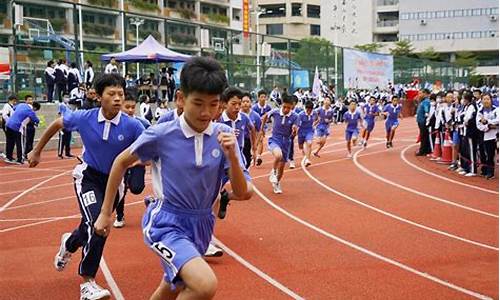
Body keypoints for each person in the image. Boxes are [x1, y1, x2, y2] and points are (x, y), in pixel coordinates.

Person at [94, 57, 253, 299]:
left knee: (172, 287)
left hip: (202, 225)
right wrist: (106, 213)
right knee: (204, 285)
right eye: (198, 103)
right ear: (180, 98)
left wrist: (231, 157)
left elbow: (243, 193)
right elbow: (121, 162)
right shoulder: (162, 134)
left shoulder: (225, 136)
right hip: (165, 222)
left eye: (213, 105)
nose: (206, 112)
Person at [27, 74, 145, 300]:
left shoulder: (132, 126)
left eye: (120, 94)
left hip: (115, 183)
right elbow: (57, 123)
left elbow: (149, 151)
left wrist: (142, 160)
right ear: (98, 96)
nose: (118, 99)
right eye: (111, 94)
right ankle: (87, 282)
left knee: (89, 227)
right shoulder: (84, 117)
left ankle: (69, 243)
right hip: (88, 177)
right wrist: (37, 150)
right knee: (98, 225)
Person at [216, 87, 256, 219]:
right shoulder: (217, 120)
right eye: (234, 104)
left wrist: (254, 148)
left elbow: (252, 129)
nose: (237, 107)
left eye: (239, 104)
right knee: (210, 199)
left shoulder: (244, 118)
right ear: (224, 104)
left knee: (247, 192)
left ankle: (226, 197)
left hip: (237, 160)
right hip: (219, 163)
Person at [113, 90, 151, 228]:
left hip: (136, 162)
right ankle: (119, 215)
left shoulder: (143, 123)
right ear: (121, 106)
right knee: (119, 189)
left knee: (136, 188)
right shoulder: (115, 123)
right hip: (120, 162)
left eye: (132, 107)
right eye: (127, 107)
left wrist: (143, 160)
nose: (130, 110)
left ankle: (147, 199)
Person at [261, 93, 299, 194]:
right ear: (282, 104)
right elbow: (265, 117)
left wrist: (295, 131)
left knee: (281, 168)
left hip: (286, 142)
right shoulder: (275, 112)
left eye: (289, 108)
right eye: (285, 107)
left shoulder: (295, 116)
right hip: (275, 139)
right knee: (278, 155)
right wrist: (262, 129)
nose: (286, 110)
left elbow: (295, 130)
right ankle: (273, 172)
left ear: (292, 107)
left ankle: (277, 182)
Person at [476, 93, 498, 179]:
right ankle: (490, 172)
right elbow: (479, 125)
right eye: (484, 99)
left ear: (491, 100)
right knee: (489, 155)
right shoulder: (480, 112)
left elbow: (498, 120)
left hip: (497, 135)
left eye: (488, 99)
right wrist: (488, 126)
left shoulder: (496, 109)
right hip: (487, 135)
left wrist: (487, 122)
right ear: (481, 101)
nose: (486, 101)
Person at [241, 92, 261, 169]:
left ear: (250, 103)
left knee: (247, 162)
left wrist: (256, 143)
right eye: (243, 102)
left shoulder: (256, 116)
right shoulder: (237, 114)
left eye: (247, 101)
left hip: (249, 141)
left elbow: (259, 130)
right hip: (238, 140)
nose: (245, 104)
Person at [252, 90, 272, 165]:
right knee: (255, 141)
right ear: (258, 98)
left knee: (260, 140)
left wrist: (267, 120)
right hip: (254, 126)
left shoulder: (268, 107)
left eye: (264, 97)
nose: (263, 98)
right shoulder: (254, 107)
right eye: (261, 97)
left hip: (263, 126)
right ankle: (253, 153)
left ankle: (259, 156)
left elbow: (270, 118)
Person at [297, 100, 318, 167]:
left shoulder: (314, 113)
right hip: (301, 131)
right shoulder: (301, 114)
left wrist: (314, 124)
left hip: (309, 130)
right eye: (308, 110)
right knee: (301, 146)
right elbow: (297, 124)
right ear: (305, 108)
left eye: (310, 110)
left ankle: (308, 159)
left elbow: (317, 119)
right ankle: (305, 155)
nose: (309, 112)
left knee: (309, 143)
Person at [416, 89, 431, 155]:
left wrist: (426, 113)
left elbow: (426, 110)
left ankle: (422, 150)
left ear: (424, 94)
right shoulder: (422, 101)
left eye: (420, 93)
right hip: (420, 120)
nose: (419, 95)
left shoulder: (426, 101)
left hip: (423, 121)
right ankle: (425, 150)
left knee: (423, 136)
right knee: (423, 136)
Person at [23, 95, 37, 160]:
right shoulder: (24, 108)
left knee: (31, 141)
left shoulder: (32, 108)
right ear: (25, 101)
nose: (30, 101)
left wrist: (36, 122)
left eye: (31, 100)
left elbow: (33, 117)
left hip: (32, 126)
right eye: (29, 100)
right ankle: (25, 154)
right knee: (27, 141)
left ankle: (30, 154)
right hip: (26, 127)